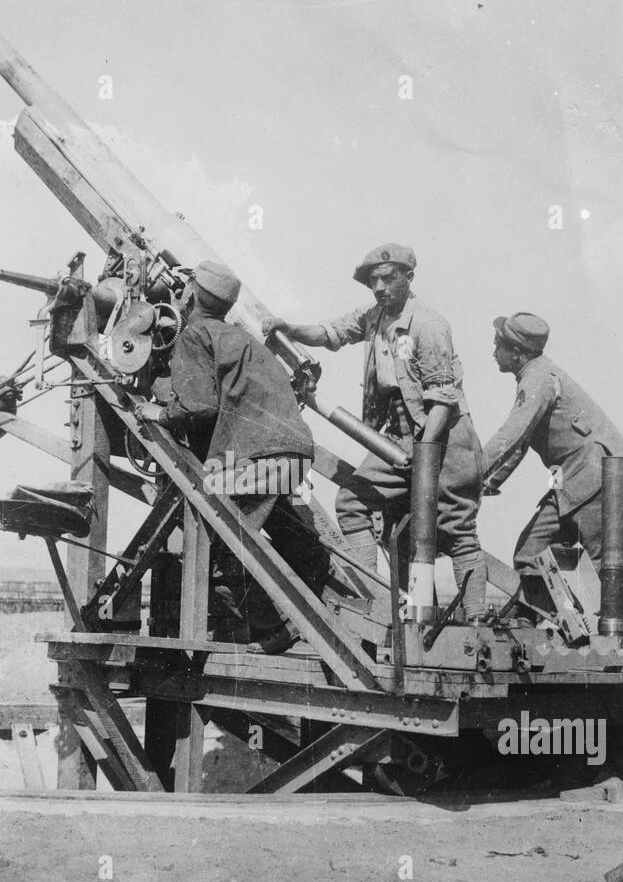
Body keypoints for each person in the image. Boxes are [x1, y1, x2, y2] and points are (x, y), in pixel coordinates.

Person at [263, 243, 487, 617]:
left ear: (408, 278)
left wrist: (426, 459)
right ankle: (380, 606)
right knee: (355, 504)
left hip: (443, 438)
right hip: (399, 439)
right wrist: (290, 329)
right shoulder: (375, 317)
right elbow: (331, 332)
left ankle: (477, 619)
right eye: (373, 282)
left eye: (388, 278)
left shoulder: (428, 325)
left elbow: (442, 401)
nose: (380, 287)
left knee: (455, 528)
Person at [142, 259, 330, 654]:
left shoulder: (194, 336)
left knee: (222, 545)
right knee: (301, 542)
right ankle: (299, 621)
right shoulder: (245, 340)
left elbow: (199, 408)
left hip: (253, 456)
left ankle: (274, 630)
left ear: (190, 293)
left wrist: (157, 411)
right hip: (293, 452)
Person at [482, 312, 623, 611]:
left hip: (594, 480)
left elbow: (512, 435)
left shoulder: (537, 380)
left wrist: (470, 473)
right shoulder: (537, 376)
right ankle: (543, 621)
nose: (494, 353)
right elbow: (518, 445)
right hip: (579, 481)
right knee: (530, 555)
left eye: (498, 346)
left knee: (607, 571)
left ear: (516, 353)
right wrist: (482, 483)